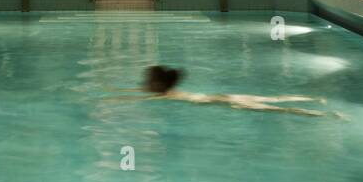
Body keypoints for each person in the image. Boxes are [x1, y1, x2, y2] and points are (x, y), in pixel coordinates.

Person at [133, 66, 343, 118]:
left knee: (278, 110)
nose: (147, 84)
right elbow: (142, 91)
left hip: (226, 102)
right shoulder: (170, 91)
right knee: (274, 100)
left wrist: (110, 98)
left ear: (160, 85)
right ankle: (314, 99)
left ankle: (324, 115)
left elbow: (137, 96)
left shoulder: (165, 95)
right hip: (223, 97)